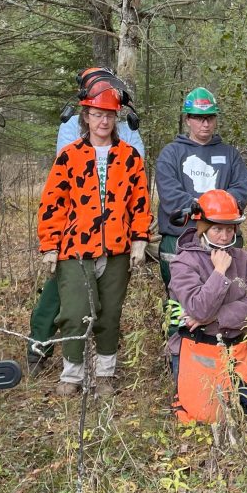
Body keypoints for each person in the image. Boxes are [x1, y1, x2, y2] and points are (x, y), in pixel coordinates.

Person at [37, 80, 151, 396]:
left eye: (109, 115)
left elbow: (139, 201)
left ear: (116, 119)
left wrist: (139, 238)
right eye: (97, 114)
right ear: (86, 116)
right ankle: (72, 375)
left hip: (116, 248)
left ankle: (104, 374)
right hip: (75, 249)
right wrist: (50, 244)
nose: (103, 121)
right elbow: (53, 202)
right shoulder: (69, 156)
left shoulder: (129, 157)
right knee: (74, 313)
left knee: (109, 314)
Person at [168, 189, 247, 423]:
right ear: (203, 227)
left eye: (229, 228)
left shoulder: (243, 259)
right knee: (209, 418)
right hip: (199, 347)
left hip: (238, 347)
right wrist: (219, 272)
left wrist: (215, 317)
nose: (224, 236)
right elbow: (198, 308)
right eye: (217, 229)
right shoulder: (184, 262)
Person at [155, 87, 247, 336]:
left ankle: (222, 347)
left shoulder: (230, 155)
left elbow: (240, 190)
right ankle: (177, 351)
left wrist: (220, 211)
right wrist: (202, 208)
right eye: (198, 117)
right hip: (180, 238)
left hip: (224, 239)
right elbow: (170, 195)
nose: (205, 123)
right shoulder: (171, 154)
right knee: (179, 299)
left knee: (227, 293)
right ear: (188, 119)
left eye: (210, 117)